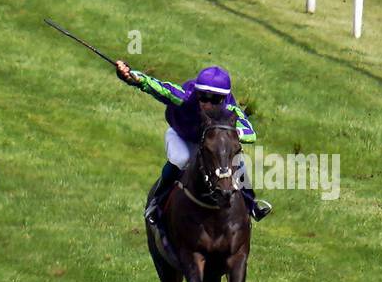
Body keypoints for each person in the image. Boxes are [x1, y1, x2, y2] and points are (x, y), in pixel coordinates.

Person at [114, 59, 271, 224]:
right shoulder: (186, 96)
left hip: (210, 142)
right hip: (182, 136)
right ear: (196, 92)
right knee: (181, 159)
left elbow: (250, 133)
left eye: (215, 100)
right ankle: (157, 202)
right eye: (203, 97)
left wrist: (232, 133)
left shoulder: (230, 108)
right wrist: (133, 77)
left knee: (236, 162)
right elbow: (158, 86)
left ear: (224, 99)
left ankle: (251, 204)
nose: (207, 105)